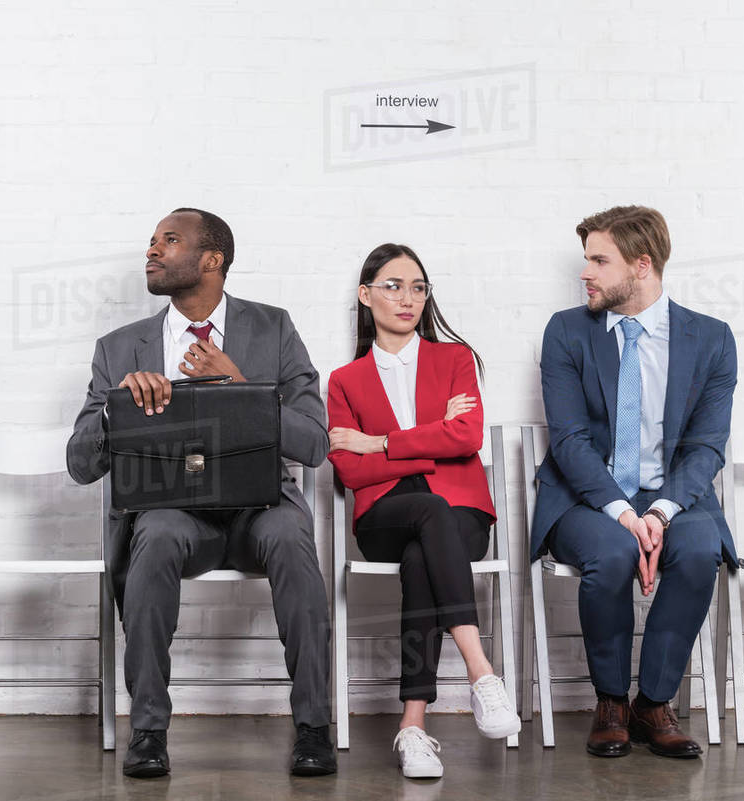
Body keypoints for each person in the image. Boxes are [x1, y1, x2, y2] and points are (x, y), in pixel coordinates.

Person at [66, 208, 336, 778]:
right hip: (174, 512)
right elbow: (80, 464)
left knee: (291, 534)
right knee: (157, 532)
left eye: (170, 240)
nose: (152, 250)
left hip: (259, 506)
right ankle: (148, 731)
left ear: (212, 260)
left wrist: (242, 386)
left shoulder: (274, 328)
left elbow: (314, 443)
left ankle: (314, 725)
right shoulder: (119, 349)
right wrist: (119, 407)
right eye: (152, 241)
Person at [532, 206, 738, 760]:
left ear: (641, 265)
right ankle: (610, 703)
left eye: (600, 260)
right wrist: (626, 515)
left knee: (699, 550)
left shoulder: (712, 339)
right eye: (586, 260)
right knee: (612, 553)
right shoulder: (567, 332)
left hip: (673, 494)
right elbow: (570, 441)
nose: (586, 273)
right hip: (586, 496)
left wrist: (660, 513)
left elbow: (705, 447)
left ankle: (653, 703)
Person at [326, 243, 521, 780]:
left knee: (424, 554)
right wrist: (428, 437)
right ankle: (483, 673)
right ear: (366, 296)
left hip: (460, 513)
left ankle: (412, 727)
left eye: (418, 287)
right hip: (385, 515)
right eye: (392, 286)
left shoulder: (454, 359)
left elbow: (468, 436)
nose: (407, 298)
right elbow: (349, 471)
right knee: (425, 514)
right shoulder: (346, 379)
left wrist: (379, 442)